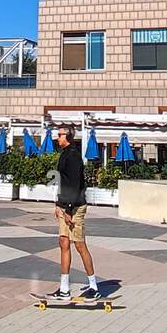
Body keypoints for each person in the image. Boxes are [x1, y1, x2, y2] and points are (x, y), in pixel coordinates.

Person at [51, 127, 101, 300]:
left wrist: (69, 208)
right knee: (63, 243)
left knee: (79, 245)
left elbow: (74, 183)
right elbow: (62, 182)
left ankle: (94, 286)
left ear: (69, 137)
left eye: (60, 135)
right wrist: (59, 204)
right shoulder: (64, 153)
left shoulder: (73, 156)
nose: (57, 138)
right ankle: (64, 288)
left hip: (76, 207)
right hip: (66, 207)